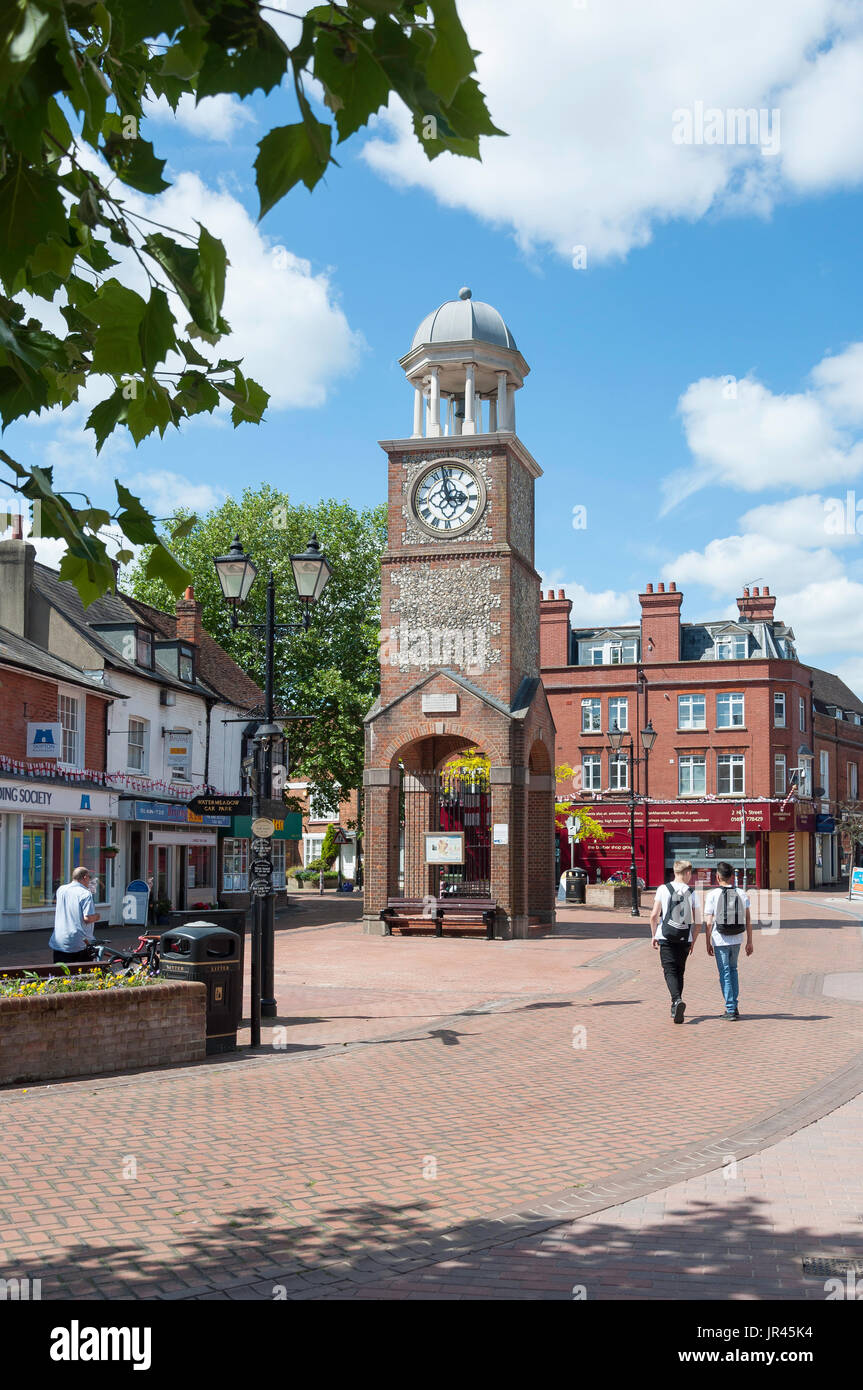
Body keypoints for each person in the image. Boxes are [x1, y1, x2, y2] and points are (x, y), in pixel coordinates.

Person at [649, 859, 701, 1024]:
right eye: (690, 874)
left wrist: (654, 934)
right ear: (686, 873)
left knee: (669, 970)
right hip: (685, 937)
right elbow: (698, 921)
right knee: (679, 971)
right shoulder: (692, 892)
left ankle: (676, 1000)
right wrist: (693, 939)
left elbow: (654, 915)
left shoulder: (663, 889)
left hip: (666, 935)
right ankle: (675, 1004)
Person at [705, 861, 753, 1019]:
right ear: (732, 877)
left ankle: (730, 1009)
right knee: (733, 971)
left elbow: (709, 921)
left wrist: (707, 941)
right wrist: (749, 941)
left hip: (720, 939)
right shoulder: (741, 893)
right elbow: (748, 919)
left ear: (717, 877)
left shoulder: (712, 894)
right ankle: (734, 1005)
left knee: (725, 973)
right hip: (737, 938)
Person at [49, 866, 99, 962]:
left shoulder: (61, 890)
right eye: (89, 877)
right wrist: (97, 916)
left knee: (61, 973)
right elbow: (87, 918)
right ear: (85, 877)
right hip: (79, 943)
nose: (89, 880)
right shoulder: (85, 893)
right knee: (82, 974)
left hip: (59, 940)